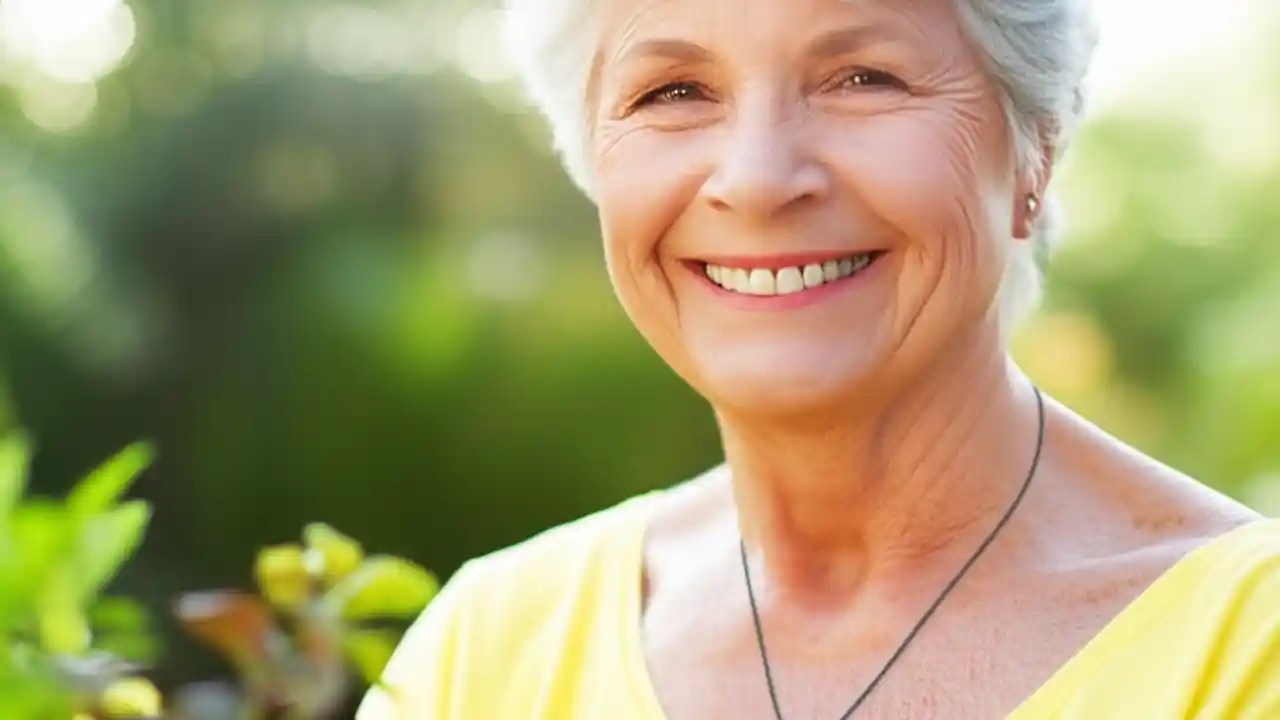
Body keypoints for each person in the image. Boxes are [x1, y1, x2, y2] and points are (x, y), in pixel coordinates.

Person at [357, 0, 1280, 717]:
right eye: (673, 92)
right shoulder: (490, 646)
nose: (757, 179)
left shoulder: (1246, 645)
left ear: (1036, 149)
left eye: (864, 78)